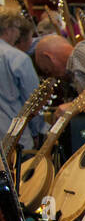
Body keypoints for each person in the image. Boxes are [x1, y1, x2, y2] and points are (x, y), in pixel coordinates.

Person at [0, 12, 46, 148]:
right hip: (14, 136)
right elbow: (32, 100)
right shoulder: (17, 58)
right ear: (10, 29)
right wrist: (37, 131)